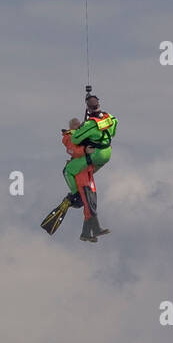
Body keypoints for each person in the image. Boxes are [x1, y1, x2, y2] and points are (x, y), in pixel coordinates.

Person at [63, 93, 116, 241]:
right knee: (88, 199)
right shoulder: (69, 135)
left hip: (88, 166)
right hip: (83, 166)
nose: (78, 126)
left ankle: (89, 232)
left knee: (90, 199)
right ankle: (89, 231)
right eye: (76, 125)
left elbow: (80, 137)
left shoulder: (87, 127)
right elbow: (72, 145)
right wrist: (83, 150)